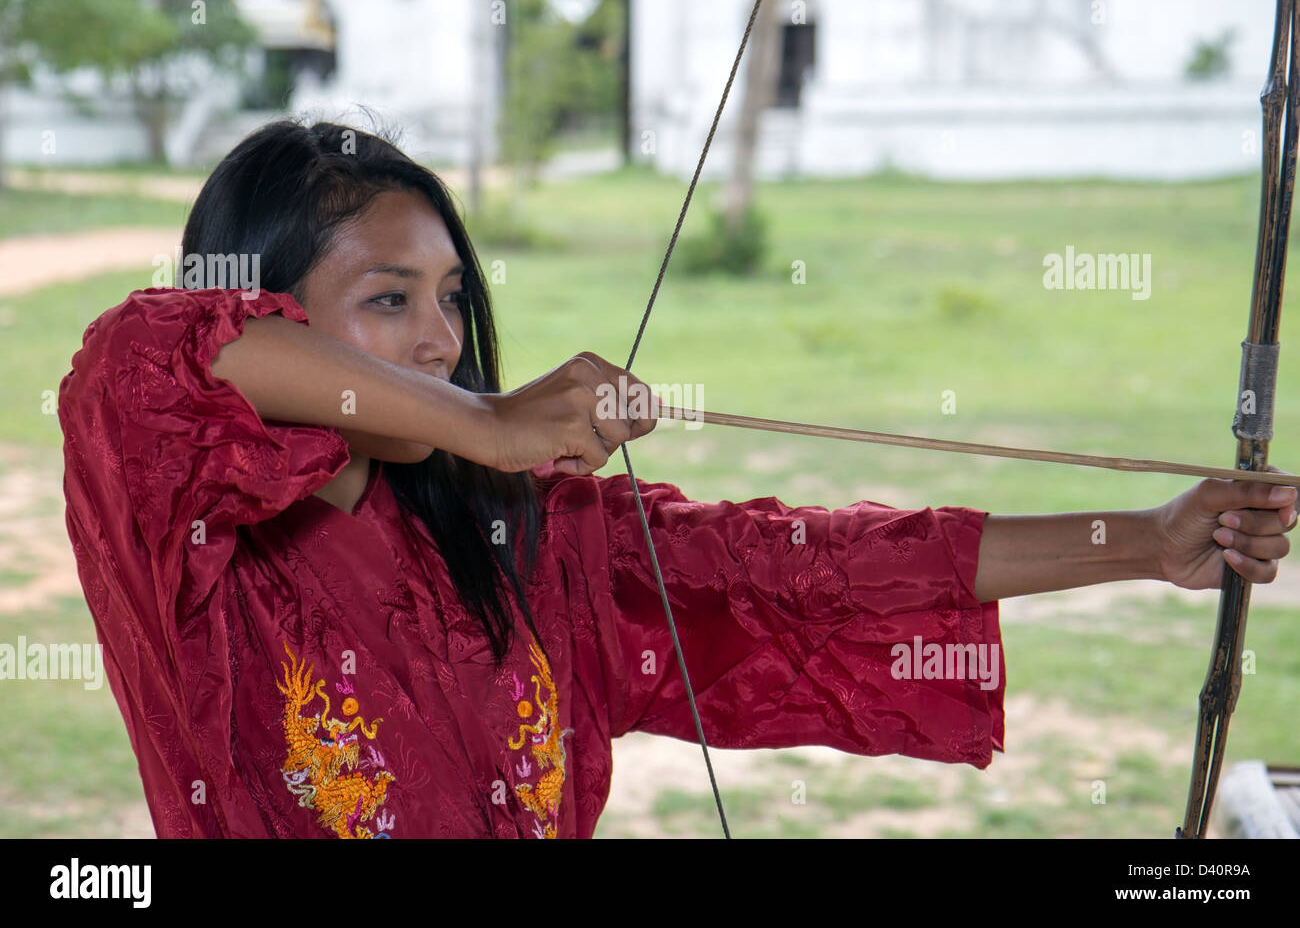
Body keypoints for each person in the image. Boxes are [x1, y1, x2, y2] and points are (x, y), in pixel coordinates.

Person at [58, 119, 1296, 839]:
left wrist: (1146, 538)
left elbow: (805, 563)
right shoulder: (186, 542)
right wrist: (486, 418)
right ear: (270, 298)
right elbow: (157, 348)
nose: (441, 336)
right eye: (387, 300)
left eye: (451, 299)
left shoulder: (518, 536)